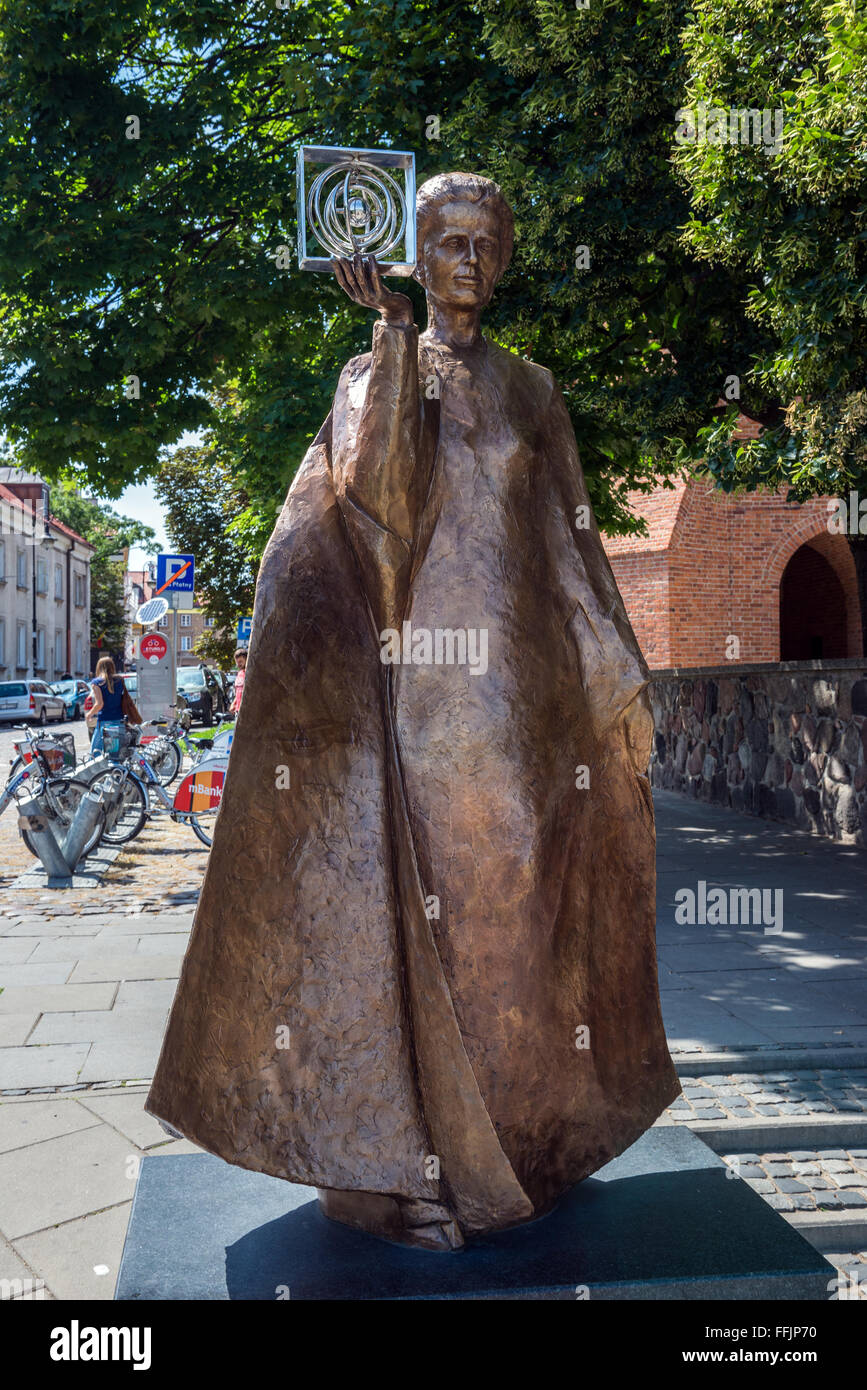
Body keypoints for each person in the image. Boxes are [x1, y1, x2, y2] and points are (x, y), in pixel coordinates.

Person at [148, 172, 678, 1252]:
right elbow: (377, 511)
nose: (469, 261)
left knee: (525, 932)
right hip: (423, 709)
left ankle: (530, 1148)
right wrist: (392, 339)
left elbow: (574, 550)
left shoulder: (535, 394)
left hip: (525, 715)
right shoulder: (373, 371)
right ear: (416, 256)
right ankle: (427, 1170)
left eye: (487, 242)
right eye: (447, 243)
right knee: (435, 923)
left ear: (508, 255)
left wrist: (618, 674)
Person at [88, 656, 126, 754]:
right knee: (115, 752)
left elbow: (99, 704)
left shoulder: (96, 683)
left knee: (95, 752)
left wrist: (89, 714)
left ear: (99, 667)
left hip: (104, 721)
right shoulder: (120, 681)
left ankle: (99, 770)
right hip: (119, 720)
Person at [230, 647, 246, 715]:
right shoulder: (240, 674)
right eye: (237, 662)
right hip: (238, 710)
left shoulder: (249, 674)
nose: (238, 664)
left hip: (247, 710)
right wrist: (233, 704)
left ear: (246, 660)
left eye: (240, 661)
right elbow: (238, 692)